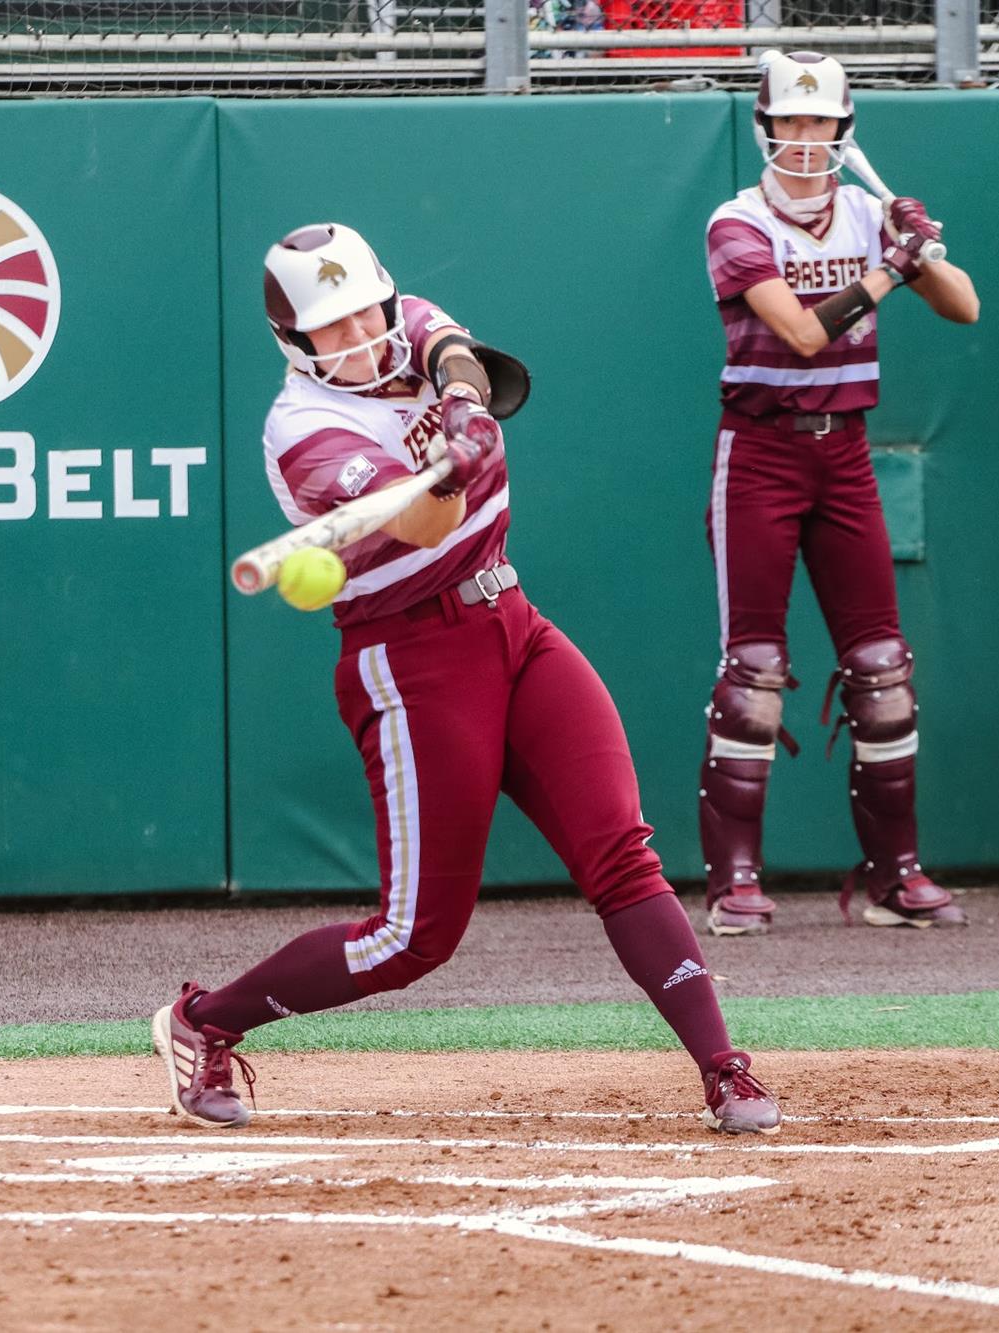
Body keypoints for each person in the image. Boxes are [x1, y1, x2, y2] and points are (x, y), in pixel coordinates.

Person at [152, 222, 780, 1135]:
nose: (360, 333)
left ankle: (724, 1066)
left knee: (620, 851)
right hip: (410, 660)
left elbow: (452, 346)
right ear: (292, 342)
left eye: (364, 310)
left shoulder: (402, 320)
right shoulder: (305, 431)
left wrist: (461, 401)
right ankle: (205, 1020)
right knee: (415, 938)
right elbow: (419, 527)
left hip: (514, 623)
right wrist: (449, 471)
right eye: (331, 327)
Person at [697, 51, 981, 938]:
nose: (806, 139)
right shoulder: (735, 221)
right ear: (766, 127)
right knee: (753, 671)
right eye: (791, 122)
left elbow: (965, 306)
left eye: (820, 123)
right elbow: (798, 332)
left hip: (846, 454)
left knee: (883, 669)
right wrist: (893, 269)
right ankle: (735, 879)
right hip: (762, 453)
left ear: (843, 126)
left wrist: (919, 246)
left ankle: (894, 874)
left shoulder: (865, 211)